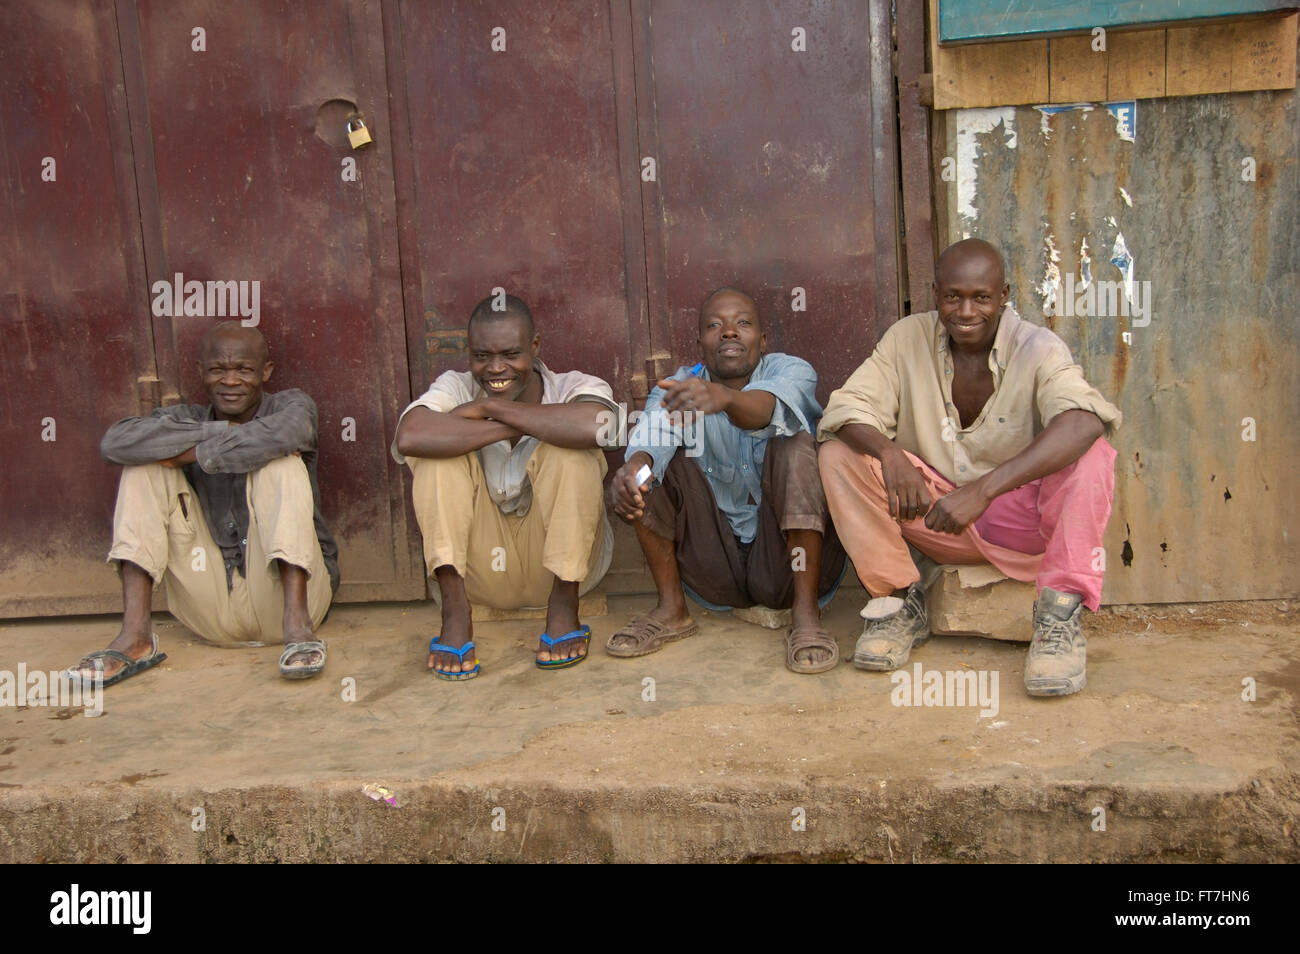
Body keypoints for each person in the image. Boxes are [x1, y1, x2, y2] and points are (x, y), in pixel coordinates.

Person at [817, 238, 1122, 696]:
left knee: (1092, 454)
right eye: (952, 296)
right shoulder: (907, 338)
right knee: (838, 454)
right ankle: (897, 603)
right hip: (931, 515)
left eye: (981, 297)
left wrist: (983, 491)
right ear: (934, 292)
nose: (965, 311)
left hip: (1016, 524)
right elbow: (845, 409)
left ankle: (1058, 620)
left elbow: (1083, 421)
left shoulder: (1038, 347)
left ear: (1004, 295)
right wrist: (890, 453)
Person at [66, 321, 339, 686]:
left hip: (280, 595)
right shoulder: (185, 417)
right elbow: (116, 443)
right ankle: (135, 638)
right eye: (218, 370)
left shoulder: (291, 405)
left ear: (265, 372)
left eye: (243, 370)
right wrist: (221, 432)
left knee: (282, 462)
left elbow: (289, 434)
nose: (230, 381)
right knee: (142, 470)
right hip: (208, 605)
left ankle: (299, 630)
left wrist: (188, 453)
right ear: (201, 373)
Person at [608, 287, 847, 673]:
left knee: (795, 445)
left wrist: (724, 398)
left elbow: (766, 410)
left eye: (743, 324)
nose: (730, 332)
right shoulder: (677, 388)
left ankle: (806, 617)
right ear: (699, 343)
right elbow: (653, 437)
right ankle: (672, 610)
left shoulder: (792, 371)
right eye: (715, 325)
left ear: (762, 340)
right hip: (715, 566)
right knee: (648, 471)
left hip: (784, 568)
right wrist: (633, 470)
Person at [392, 294, 616, 679]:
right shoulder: (455, 387)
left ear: (535, 347)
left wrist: (490, 410)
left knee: (573, 453)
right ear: (469, 354)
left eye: (511, 354)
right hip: (479, 573)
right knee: (435, 458)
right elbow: (410, 436)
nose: (495, 369)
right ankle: (455, 612)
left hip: (561, 566)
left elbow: (598, 426)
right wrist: (533, 420)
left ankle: (564, 608)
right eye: (482, 357)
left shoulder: (574, 385)